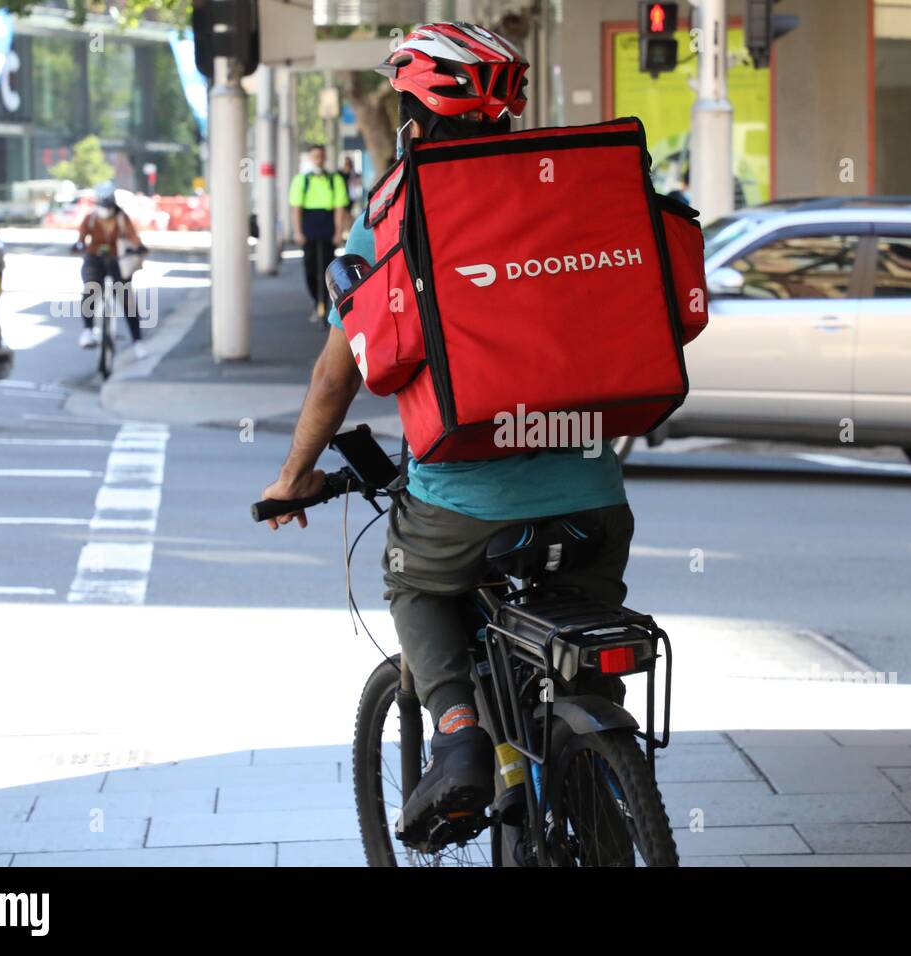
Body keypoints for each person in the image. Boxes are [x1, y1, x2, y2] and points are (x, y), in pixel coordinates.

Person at [260, 21, 633, 842]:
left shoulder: (399, 205)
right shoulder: (569, 189)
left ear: (412, 117)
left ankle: (460, 736)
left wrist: (294, 476)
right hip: (596, 499)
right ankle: (600, 766)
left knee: (414, 582)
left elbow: (339, 371)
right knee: (586, 649)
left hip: (467, 502)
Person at [76, 182, 148, 360]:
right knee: (90, 290)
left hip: (117, 260)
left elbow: (132, 236)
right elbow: (81, 238)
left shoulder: (122, 218)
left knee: (126, 298)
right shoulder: (90, 219)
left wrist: (138, 247)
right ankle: (88, 330)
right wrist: (79, 245)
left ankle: (137, 341)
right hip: (95, 259)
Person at [289, 145, 351, 323]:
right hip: (309, 224)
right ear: (310, 158)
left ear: (325, 158)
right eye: (315, 156)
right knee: (309, 267)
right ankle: (316, 300)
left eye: (321, 156)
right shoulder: (302, 180)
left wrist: (339, 232)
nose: (318, 159)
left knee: (327, 268)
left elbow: (339, 208)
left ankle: (325, 304)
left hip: (327, 223)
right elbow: (296, 208)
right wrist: (298, 231)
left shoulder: (335, 179)